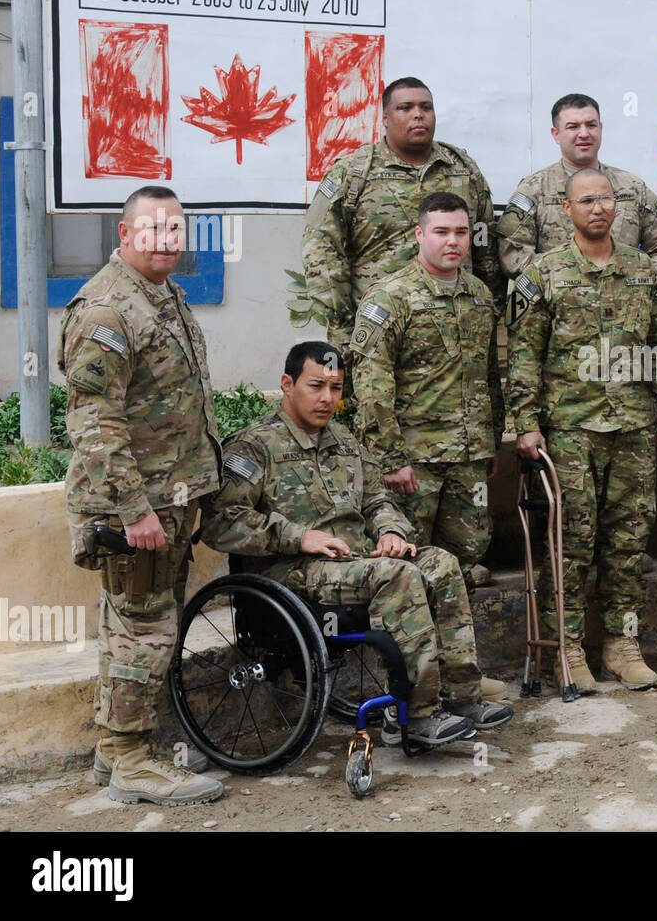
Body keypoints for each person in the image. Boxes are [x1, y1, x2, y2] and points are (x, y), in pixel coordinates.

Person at [202, 342, 512, 744]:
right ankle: (413, 717)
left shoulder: (345, 441)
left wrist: (389, 531)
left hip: (357, 561)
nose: (327, 398)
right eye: (316, 386)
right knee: (397, 576)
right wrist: (299, 536)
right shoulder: (253, 447)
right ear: (286, 384)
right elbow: (221, 522)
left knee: (442, 564)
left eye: (336, 387)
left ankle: (462, 696)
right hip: (293, 572)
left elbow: (377, 499)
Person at [61, 185, 224, 805]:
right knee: (144, 631)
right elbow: (94, 425)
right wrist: (134, 511)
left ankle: (113, 753)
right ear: (124, 235)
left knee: (136, 624)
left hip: (170, 498)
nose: (167, 239)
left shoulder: (164, 297)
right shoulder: (106, 310)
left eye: (176, 229)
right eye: (153, 228)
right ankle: (132, 761)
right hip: (136, 507)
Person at [508, 168, 657, 692]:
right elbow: (523, 354)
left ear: (617, 206)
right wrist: (525, 422)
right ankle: (567, 647)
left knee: (628, 539)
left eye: (605, 198)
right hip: (569, 428)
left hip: (631, 425)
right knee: (571, 541)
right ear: (567, 210)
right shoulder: (543, 274)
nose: (598, 208)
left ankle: (621, 643)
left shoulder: (643, 271)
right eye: (585, 200)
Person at [351, 192, 503, 593]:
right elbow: (371, 382)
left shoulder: (480, 296)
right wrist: (389, 458)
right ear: (419, 234)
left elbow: (488, 374)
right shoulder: (390, 297)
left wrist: (490, 443)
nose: (452, 241)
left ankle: (456, 648)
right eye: (441, 232)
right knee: (408, 563)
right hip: (415, 462)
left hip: (469, 457)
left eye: (461, 232)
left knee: (467, 556)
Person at [298, 77, 503, 350]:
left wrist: (489, 311)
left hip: (455, 330)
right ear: (385, 118)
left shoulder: (463, 169)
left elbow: (484, 245)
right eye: (405, 108)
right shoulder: (353, 172)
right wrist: (342, 325)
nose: (418, 114)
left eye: (426, 107)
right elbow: (321, 249)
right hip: (378, 328)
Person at [497, 93, 657, 282]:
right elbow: (513, 255)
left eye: (591, 125)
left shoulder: (632, 188)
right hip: (560, 303)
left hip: (625, 305)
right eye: (573, 127)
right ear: (556, 134)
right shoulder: (533, 190)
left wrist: (637, 282)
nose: (584, 134)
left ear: (600, 128)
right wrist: (566, 279)